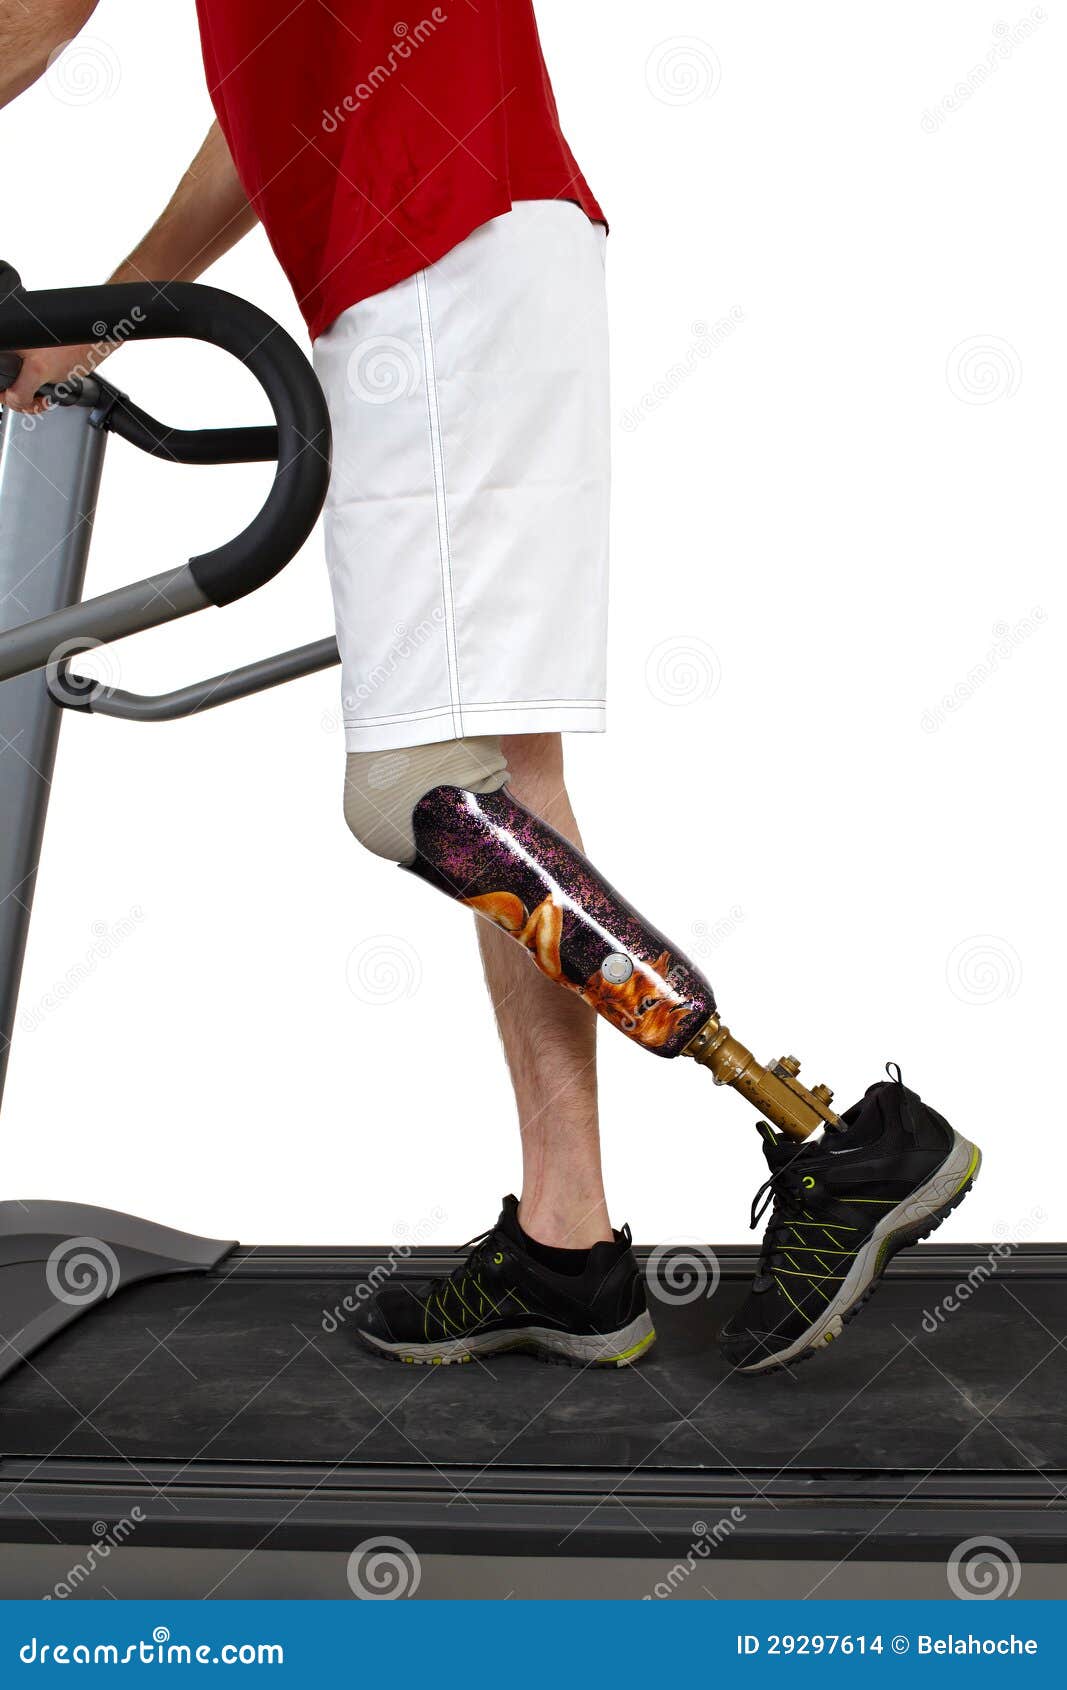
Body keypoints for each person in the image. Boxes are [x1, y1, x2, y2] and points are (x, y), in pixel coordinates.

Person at [0, 0, 979, 1374]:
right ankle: (568, 1244)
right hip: (469, 244)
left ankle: (836, 1145)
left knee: (408, 789)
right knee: (503, 777)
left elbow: (33, 19)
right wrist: (109, 312)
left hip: (433, 262)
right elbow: (266, 115)